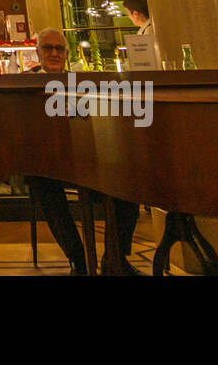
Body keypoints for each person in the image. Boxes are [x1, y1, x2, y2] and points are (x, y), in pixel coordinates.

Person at [22, 28, 143, 275]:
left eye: (59, 49)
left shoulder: (81, 82)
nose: (54, 53)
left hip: (87, 158)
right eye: (48, 48)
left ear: (66, 53)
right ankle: (79, 260)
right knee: (42, 185)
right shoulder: (25, 83)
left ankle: (115, 258)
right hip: (46, 163)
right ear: (38, 52)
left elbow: (92, 120)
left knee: (130, 181)